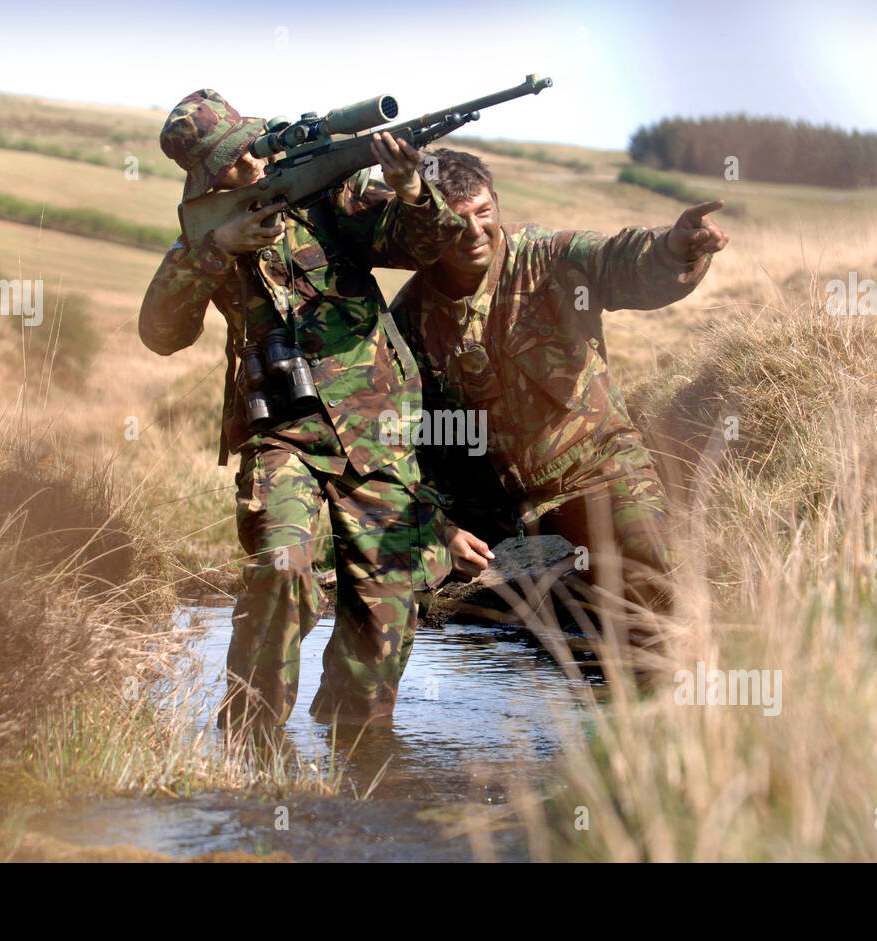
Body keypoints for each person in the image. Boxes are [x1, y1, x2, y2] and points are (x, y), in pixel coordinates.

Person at [138, 91, 465, 731]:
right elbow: (160, 332)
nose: (251, 168)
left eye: (251, 152)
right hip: (280, 429)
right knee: (280, 567)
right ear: (206, 180)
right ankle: (249, 744)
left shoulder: (328, 198)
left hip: (375, 429)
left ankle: (355, 757)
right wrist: (217, 250)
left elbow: (430, 245)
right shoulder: (210, 229)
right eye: (231, 165)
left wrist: (411, 189)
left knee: (386, 600)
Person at [390, 148, 728, 640]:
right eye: (455, 220)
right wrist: (436, 528)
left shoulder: (549, 258)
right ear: (428, 223)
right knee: (392, 582)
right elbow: (400, 440)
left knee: (660, 579)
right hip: (488, 509)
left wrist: (674, 249)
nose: (473, 232)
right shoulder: (409, 316)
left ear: (497, 204)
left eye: (483, 213)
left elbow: (620, 261)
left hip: (594, 472)